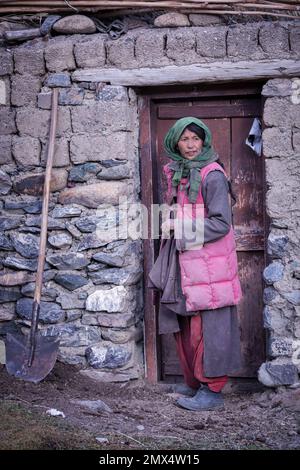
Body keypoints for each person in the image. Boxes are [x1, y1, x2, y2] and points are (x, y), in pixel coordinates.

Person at [150, 117, 243, 411]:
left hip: (209, 265)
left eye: (196, 138)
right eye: (184, 139)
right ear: (175, 143)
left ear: (204, 141)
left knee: (208, 327)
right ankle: (194, 382)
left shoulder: (211, 175)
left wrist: (178, 227)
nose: (191, 145)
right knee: (187, 323)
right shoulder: (179, 173)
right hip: (187, 262)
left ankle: (212, 390)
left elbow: (221, 224)